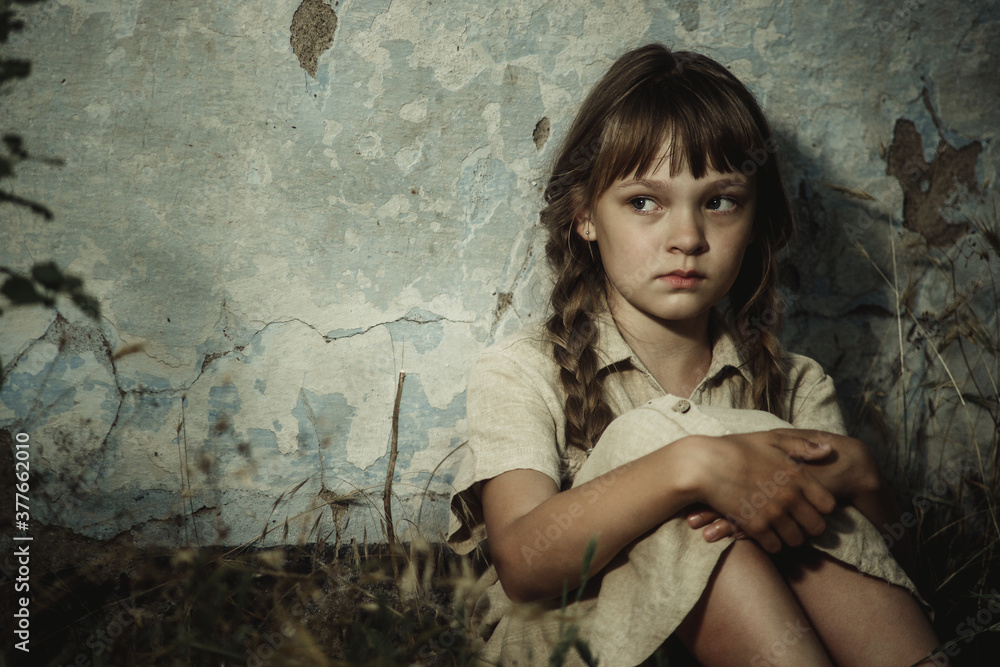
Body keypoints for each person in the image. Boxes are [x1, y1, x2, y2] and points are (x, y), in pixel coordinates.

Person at [447, 43, 943, 666]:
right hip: (572, 642)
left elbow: (876, 552)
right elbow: (522, 565)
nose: (686, 238)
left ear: (755, 218)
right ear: (584, 216)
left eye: (719, 201)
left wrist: (860, 471)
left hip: (755, 634)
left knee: (778, 489)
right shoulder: (521, 372)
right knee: (666, 459)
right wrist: (690, 469)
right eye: (644, 202)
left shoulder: (796, 382)